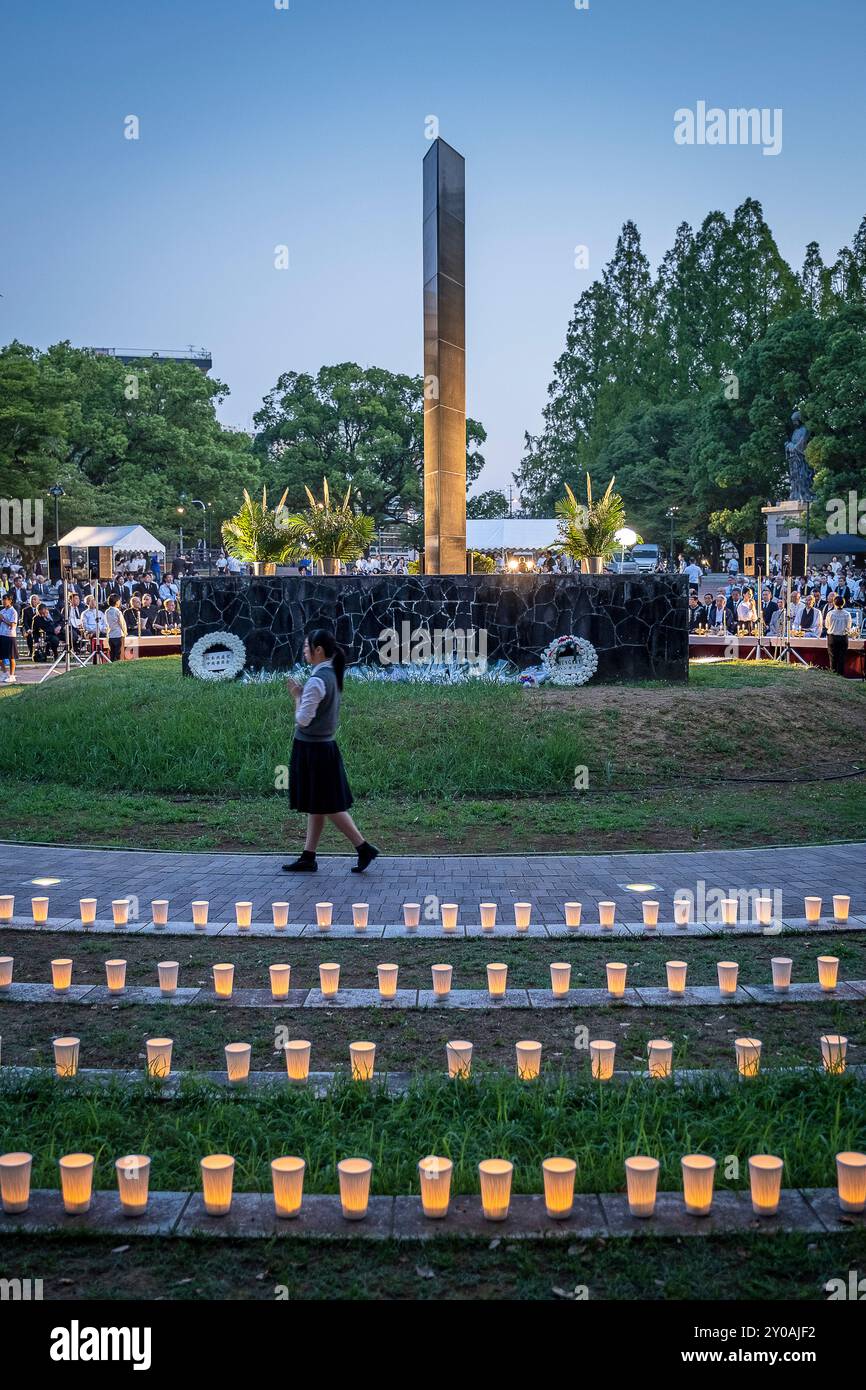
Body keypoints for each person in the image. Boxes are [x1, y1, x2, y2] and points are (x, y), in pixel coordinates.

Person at [281, 629, 379, 874]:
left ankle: (363, 846)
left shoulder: (316, 680)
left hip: (312, 749)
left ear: (318, 650)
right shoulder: (331, 674)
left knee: (327, 804)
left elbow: (303, 719)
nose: (304, 652)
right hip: (324, 747)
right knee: (319, 803)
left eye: (307, 648)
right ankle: (308, 855)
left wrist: (296, 696)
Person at [825, 594, 852, 676]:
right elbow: (848, 627)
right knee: (842, 658)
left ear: (834, 603)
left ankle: (833, 674)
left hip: (832, 637)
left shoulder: (830, 613)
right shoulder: (847, 614)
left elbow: (827, 625)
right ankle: (840, 675)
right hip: (843, 637)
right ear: (843, 604)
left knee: (833, 657)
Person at [0, 593, 18, 683]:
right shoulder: (2, 611)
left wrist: (3, 619)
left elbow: (12, 625)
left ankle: (12, 675)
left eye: (5, 599)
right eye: (2, 600)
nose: (3, 601)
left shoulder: (13, 612)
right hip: (1, 634)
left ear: (10, 600)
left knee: (11, 657)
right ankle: (4, 673)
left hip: (10, 636)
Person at [104, 594, 127, 661]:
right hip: (118, 634)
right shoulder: (117, 611)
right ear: (117, 602)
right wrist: (125, 632)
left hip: (110, 635)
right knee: (118, 654)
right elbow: (122, 623)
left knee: (112, 653)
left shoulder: (107, 611)